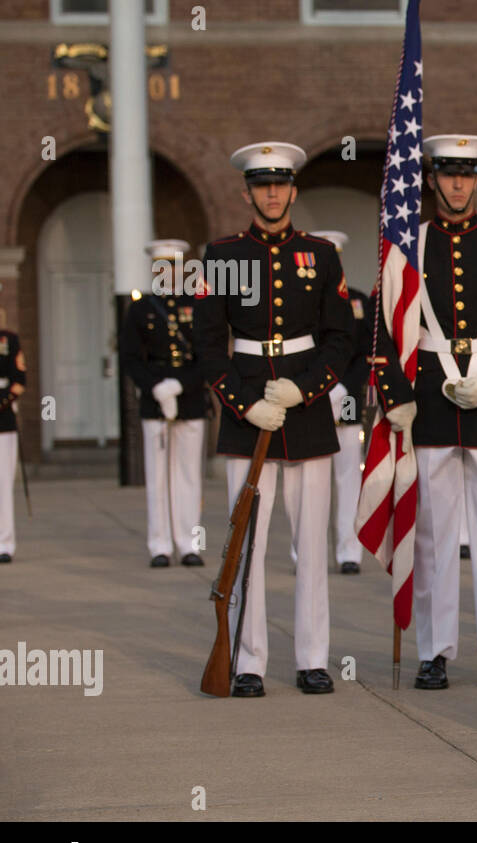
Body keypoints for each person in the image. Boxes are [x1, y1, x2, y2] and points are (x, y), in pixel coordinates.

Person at [368, 134, 477, 690]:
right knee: (434, 534)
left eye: (467, 174)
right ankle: (434, 649)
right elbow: (384, 330)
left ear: (476, 178)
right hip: (430, 403)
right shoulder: (406, 246)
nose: (458, 184)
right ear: (432, 180)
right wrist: (397, 398)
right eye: (448, 174)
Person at [194, 141, 353, 697]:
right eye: (262, 184)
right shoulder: (221, 256)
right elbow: (209, 344)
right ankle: (247, 660)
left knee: (311, 542)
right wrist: (243, 402)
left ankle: (312, 657)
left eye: (280, 183)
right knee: (248, 544)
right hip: (248, 410)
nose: (272, 192)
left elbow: (341, 339)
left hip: (305, 410)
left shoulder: (321, 254)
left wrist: (305, 388)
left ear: (293, 190)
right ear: (247, 192)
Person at [120, 240, 209, 568]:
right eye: (161, 267)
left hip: (190, 400)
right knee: (157, 476)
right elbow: (130, 357)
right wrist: (157, 387)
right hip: (155, 401)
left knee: (189, 476)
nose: (167, 273)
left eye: (172, 266)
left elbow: (207, 356)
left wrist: (180, 385)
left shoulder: (197, 305)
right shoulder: (141, 308)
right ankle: (159, 544)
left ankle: (189, 544)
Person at [296, 231, 367, 574]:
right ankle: (305, 553)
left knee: (348, 476)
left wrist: (344, 389)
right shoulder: (301, 303)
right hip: (313, 398)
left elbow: (364, 355)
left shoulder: (358, 302)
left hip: (349, 399)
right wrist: (323, 387)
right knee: (310, 481)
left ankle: (349, 551)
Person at [0, 301, 24, 563]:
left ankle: (4, 543)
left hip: (3, 420)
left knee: (3, 483)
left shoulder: (9, 340)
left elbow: (19, 380)